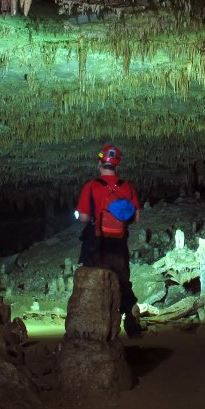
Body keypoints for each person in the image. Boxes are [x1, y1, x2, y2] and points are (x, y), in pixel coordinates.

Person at [75, 144, 143, 338]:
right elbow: (136, 218)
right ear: (117, 166)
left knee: (95, 281)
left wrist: (85, 216)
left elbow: (84, 218)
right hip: (119, 244)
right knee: (122, 282)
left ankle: (96, 326)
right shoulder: (127, 187)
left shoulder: (92, 186)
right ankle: (131, 317)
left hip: (98, 244)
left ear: (99, 163)